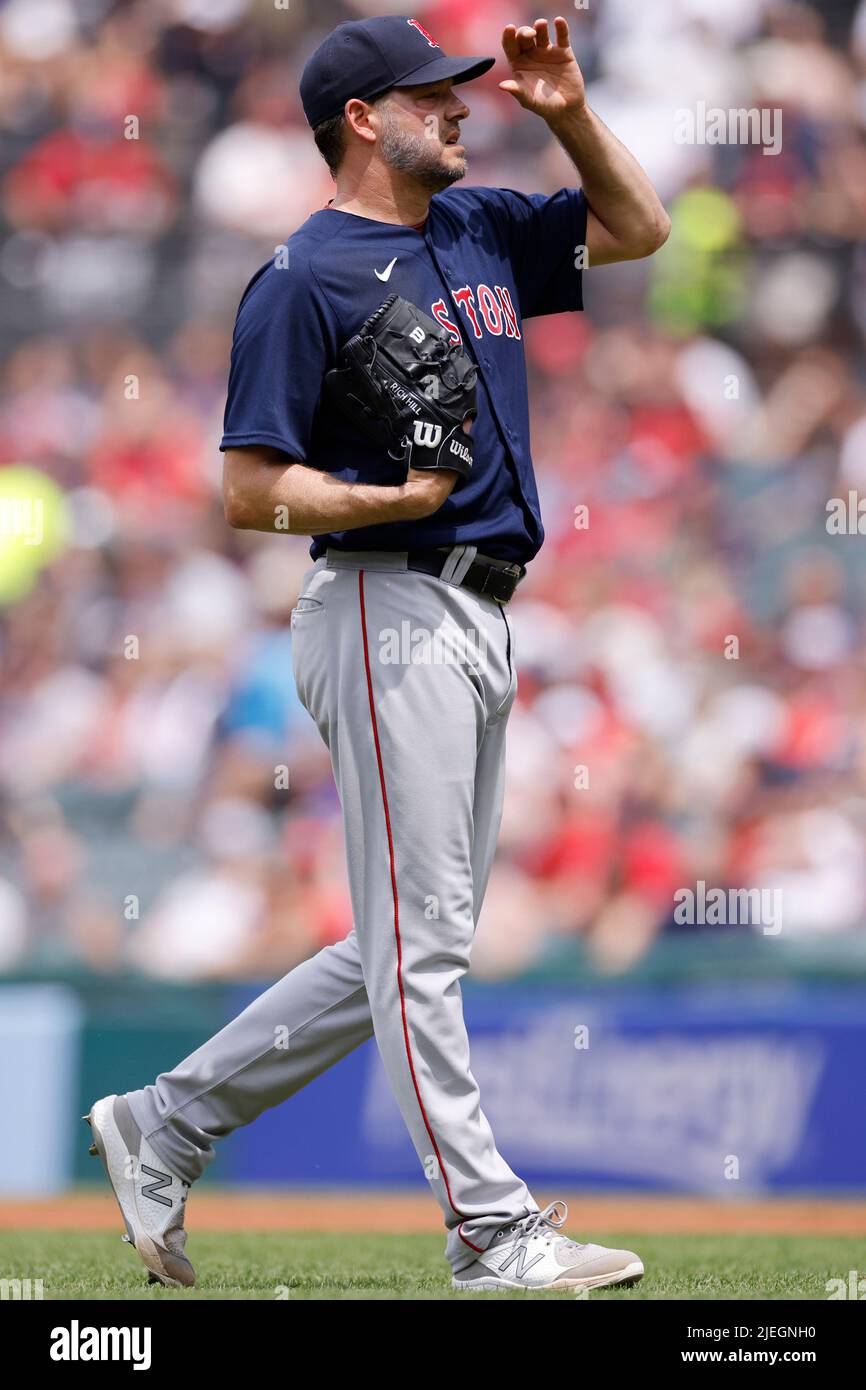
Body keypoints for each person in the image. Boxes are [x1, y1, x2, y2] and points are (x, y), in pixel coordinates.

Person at [86, 13, 670, 1294]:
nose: (462, 109)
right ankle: (488, 1231)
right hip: (381, 597)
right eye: (434, 96)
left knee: (411, 942)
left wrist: (569, 109)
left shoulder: (478, 227)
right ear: (364, 117)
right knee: (418, 948)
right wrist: (385, 504)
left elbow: (640, 230)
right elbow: (247, 491)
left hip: (482, 603)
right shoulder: (302, 275)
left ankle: (165, 1121)